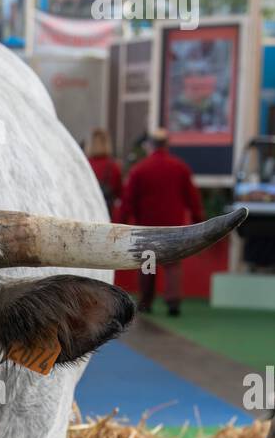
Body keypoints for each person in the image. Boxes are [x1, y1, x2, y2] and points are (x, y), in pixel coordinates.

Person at [118, 126, 204, 317]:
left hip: (148, 227)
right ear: (167, 144)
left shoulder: (140, 169)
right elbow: (192, 197)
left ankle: (146, 301)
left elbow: (128, 199)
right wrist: (198, 219)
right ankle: (173, 302)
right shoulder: (180, 167)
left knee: (148, 263)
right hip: (173, 226)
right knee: (172, 264)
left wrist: (120, 223)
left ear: (150, 145)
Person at [85, 128, 122, 217]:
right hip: (107, 211)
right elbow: (119, 192)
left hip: (88, 211)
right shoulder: (113, 166)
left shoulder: (86, 165)